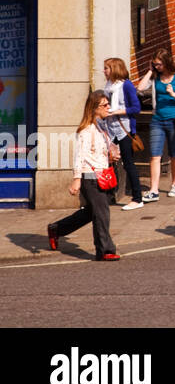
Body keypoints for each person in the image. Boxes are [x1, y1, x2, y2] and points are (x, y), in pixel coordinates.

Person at [47, 90, 120, 260]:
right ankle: (105, 250)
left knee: (91, 212)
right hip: (90, 178)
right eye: (105, 105)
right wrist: (76, 180)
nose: (108, 107)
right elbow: (79, 156)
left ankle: (57, 229)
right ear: (94, 108)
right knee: (102, 214)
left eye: (108, 103)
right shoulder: (86, 130)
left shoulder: (101, 127)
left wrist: (111, 155)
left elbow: (99, 151)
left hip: (103, 175)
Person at [135, 49, 175, 202]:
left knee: (174, 154)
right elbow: (140, 88)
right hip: (157, 120)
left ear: (166, 63)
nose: (157, 67)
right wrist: (149, 71)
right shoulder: (155, 77)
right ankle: (153, 190)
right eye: (154, 64)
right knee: (154, 155)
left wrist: (173, 94)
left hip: (174, 120)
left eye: (158, 64)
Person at [102, 57, 143, 210]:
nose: (104, 71)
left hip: (123, 128)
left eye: (106, 68)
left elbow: (136, 108)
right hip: (109, 127)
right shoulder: (108, 85)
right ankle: (107, 194)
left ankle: (137, 198)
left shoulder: (126, 86)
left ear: (114, 69)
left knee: (128, 163)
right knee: (107, 162)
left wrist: (116, 111)